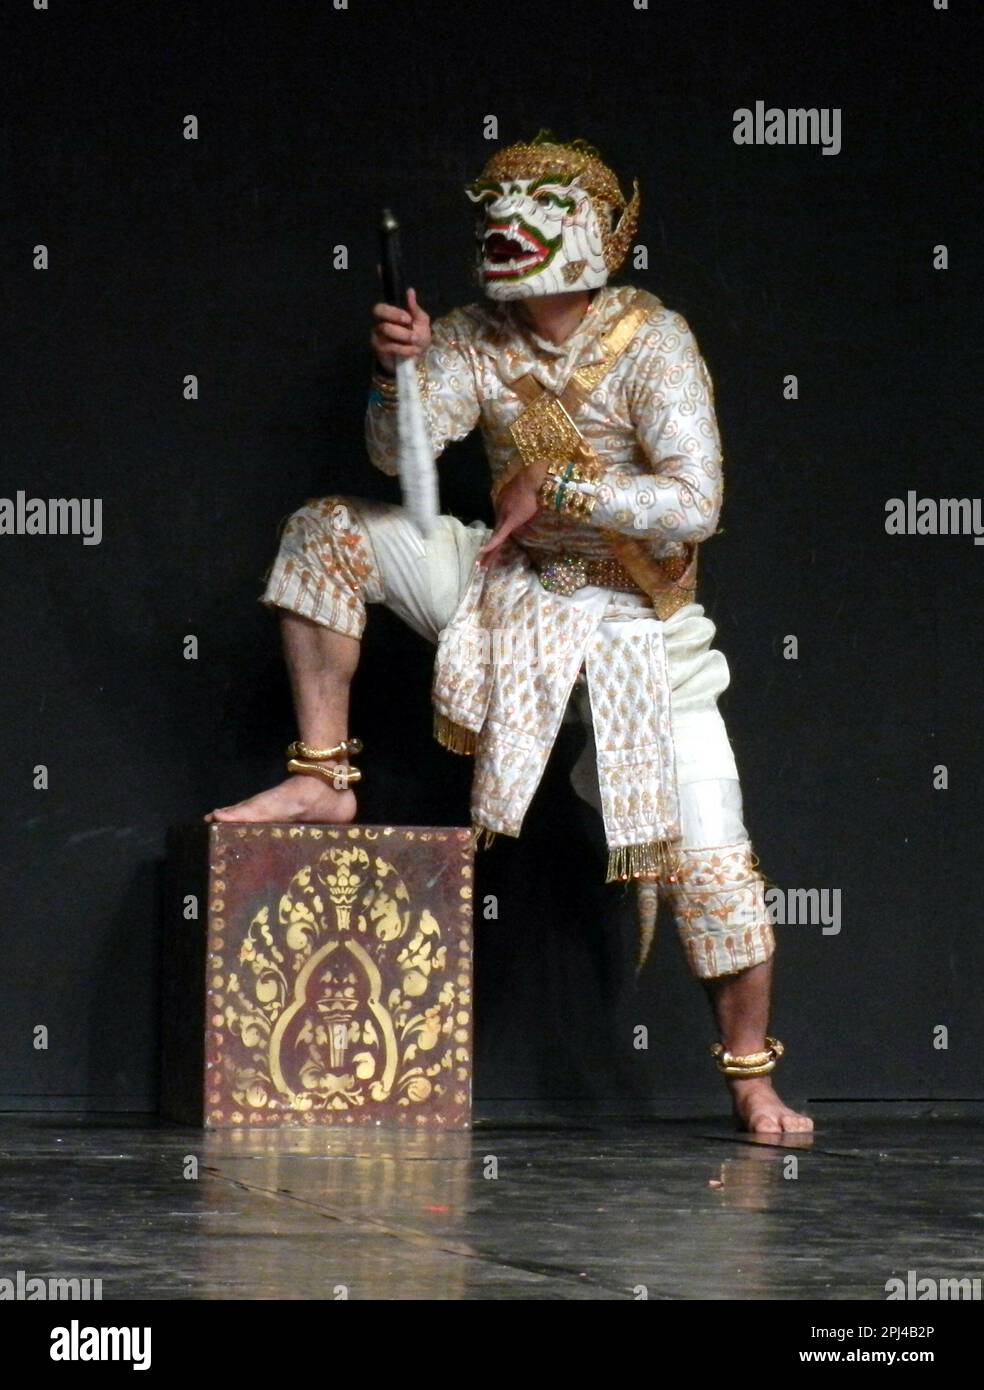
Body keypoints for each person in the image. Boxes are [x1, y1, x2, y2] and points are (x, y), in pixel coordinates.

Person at [207, 132, 812, 1134]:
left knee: (711, 859)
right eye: (496, 208)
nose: (504, 226)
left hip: (637, 626)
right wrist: (397, 373)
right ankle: (324, 773)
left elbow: (696, 501)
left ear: (591, 232)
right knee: (325, 535)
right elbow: (398, 453)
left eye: (534, 206)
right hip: (510, 592)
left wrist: (564, 482)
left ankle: (750, 1078)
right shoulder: (471, 333)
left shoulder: (651, 340)